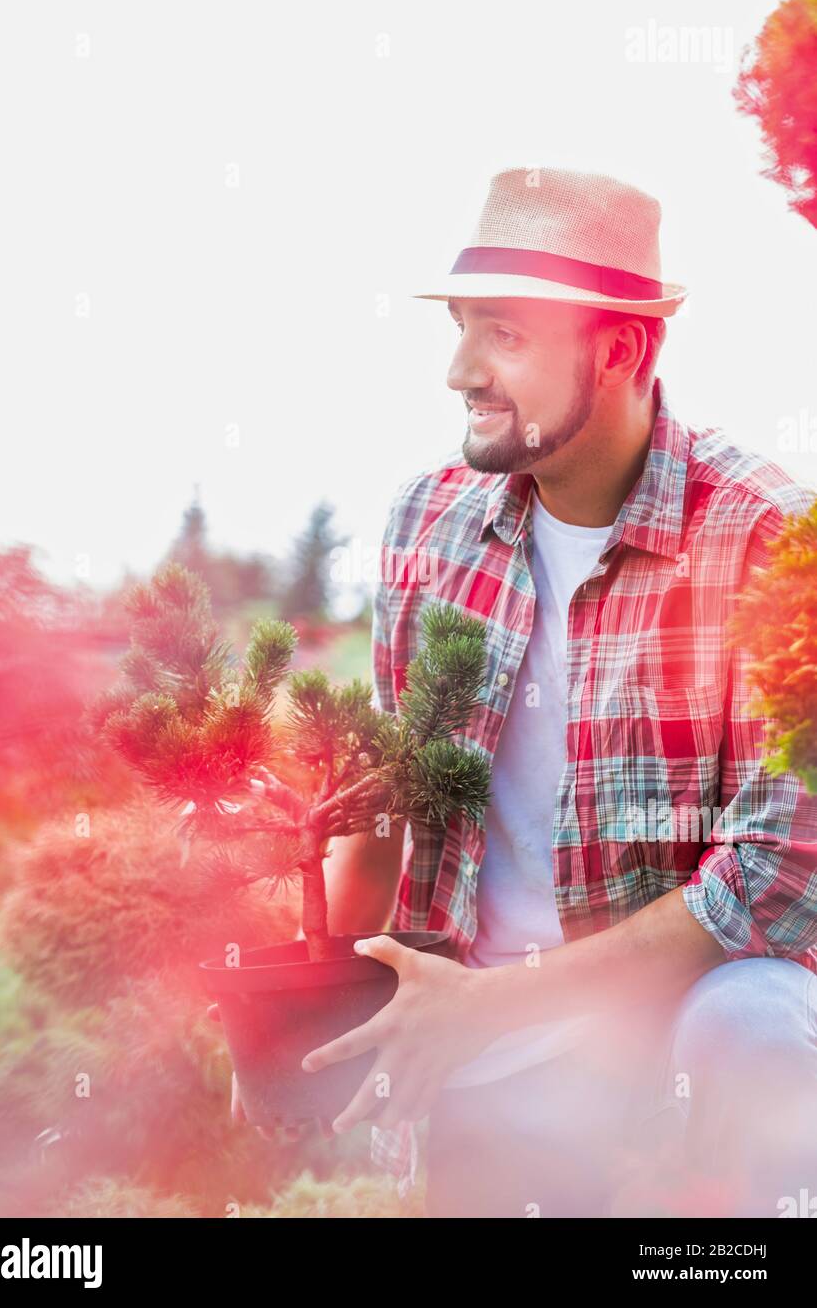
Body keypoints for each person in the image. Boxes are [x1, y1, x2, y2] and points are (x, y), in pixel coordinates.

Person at [302, 166, 817, 1217]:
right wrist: (301, 985)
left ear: (620, 347)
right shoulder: (428, 519)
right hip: (478, 1057)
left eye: (503, 334)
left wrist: (488, 1006)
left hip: (667, 1037)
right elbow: (396, 796)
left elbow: (772, 872)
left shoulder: (768, 539)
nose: (458, 370)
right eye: (459, 328)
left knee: (754, 1020)